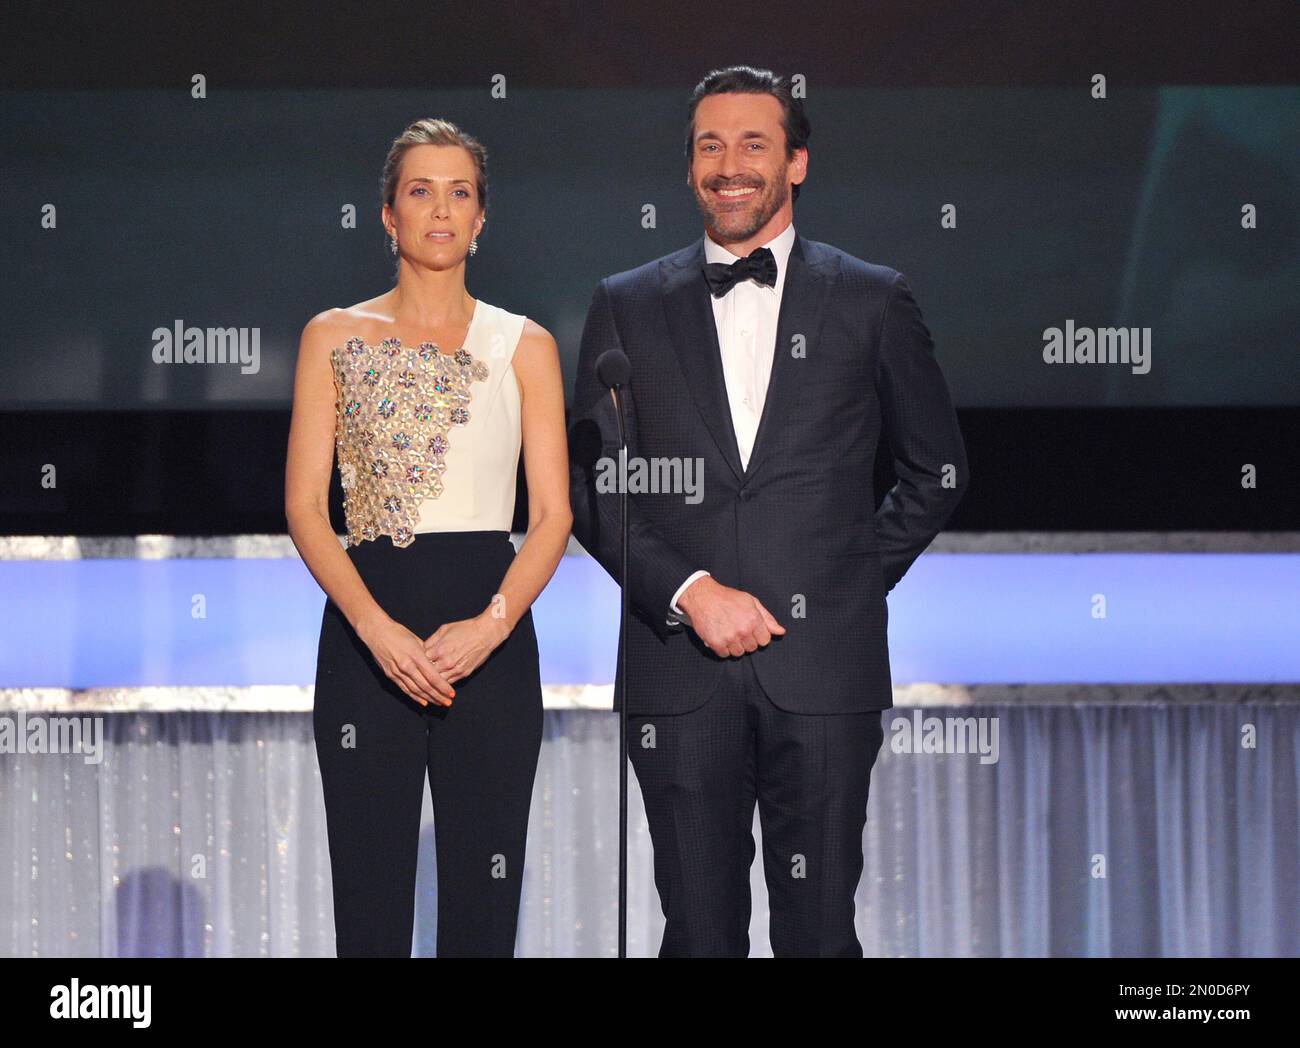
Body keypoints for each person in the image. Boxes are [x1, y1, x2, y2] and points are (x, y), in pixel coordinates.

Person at [569, 67, 968, 956]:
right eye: (710, 145)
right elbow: (595, 486)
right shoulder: (626, 302)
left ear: (796, 163)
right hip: (678, 669)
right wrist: (689, 591)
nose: (730, 165)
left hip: (823, 671)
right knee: (700, 934)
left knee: (820, 931)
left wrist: (843, 580)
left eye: (754, 143)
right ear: (688, 170)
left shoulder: (871, 296)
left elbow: (936, 469)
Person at [285, 118, 572, 957]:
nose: (440, 210)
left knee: (483, 909)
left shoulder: (527, 346)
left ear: (482, 218)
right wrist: (375, 629)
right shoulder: (332, 336)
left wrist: (490, 627)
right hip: (366, 637)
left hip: (490, 632)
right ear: (387, 214)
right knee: (369, 904)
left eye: (460, 192)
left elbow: (553, 515)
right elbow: (306, 507)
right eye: (420, 191)